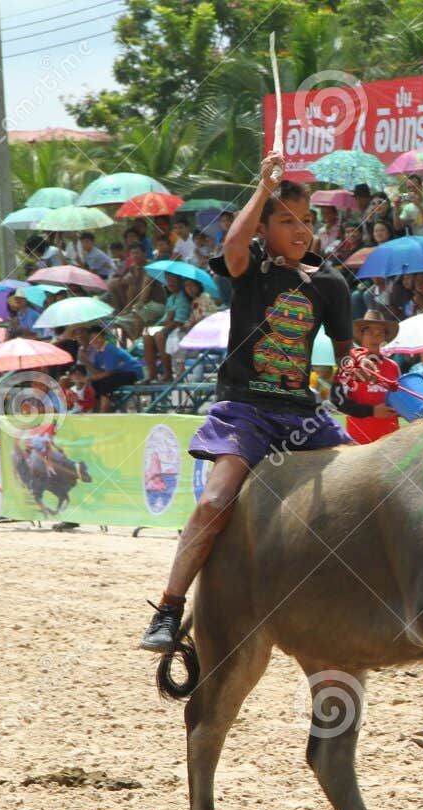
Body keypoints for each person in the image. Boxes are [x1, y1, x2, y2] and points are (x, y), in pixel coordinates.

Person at [140, 156, 355, 651]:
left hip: (303, 418)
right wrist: (263, 186)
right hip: (245, 413)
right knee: (215, 502)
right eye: (287, 221)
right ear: (264, 226)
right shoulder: (251, 265)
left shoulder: (330, 283)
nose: (301, 231)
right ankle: (170, 608)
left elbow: (346, 356)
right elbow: (232, 245)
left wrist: (358, 364)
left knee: (364, 490)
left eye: (307, 221)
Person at [330, 309, 401, 443]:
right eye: (370, 332)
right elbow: (337, 401)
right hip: (359, 442)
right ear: (361, 335)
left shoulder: (393, 367)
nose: (375, 337)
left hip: (391, 440)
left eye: (380, 333)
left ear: (385, 338)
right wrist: (371, 411)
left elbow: (400, 399)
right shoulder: (349, 364)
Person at [83, 326, 144, 413]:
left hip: (132, 373)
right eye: (92, 338)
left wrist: (90, 378)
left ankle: (104, 412)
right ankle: (96, 412)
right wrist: (86, 362)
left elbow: (108, 373)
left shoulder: (109, 349)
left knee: (106, 382)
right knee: (95, 383)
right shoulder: (98, 353)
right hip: (117, 374)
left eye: (97, 337)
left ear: (103, 337)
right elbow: (97, 372)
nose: (95, 340)